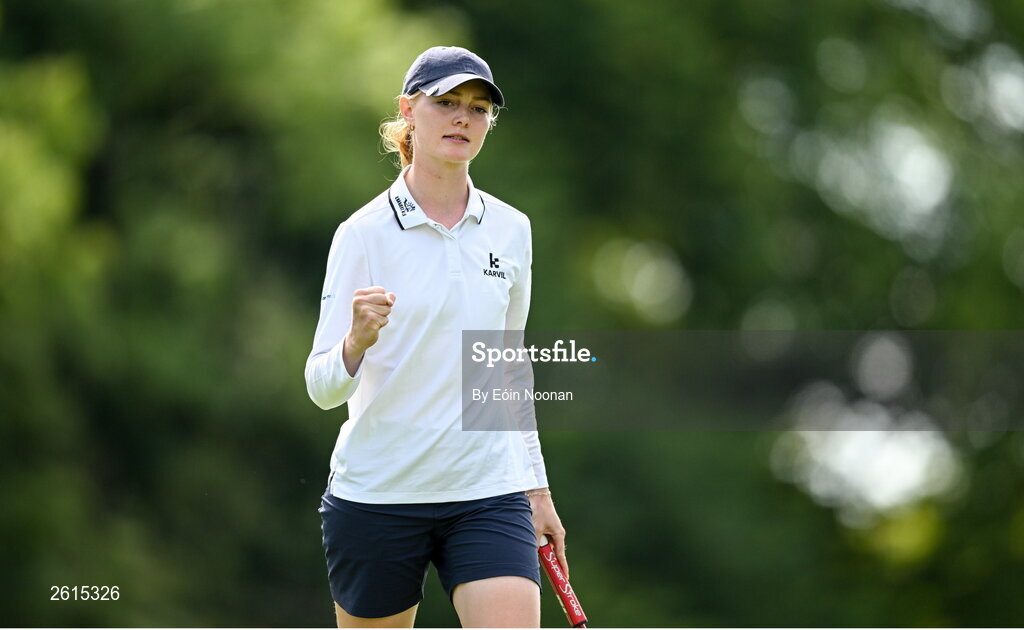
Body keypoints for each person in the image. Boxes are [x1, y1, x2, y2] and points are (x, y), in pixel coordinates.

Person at [304, 46, 569, 628]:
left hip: (487, 491)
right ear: (408, 111)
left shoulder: (512, 229)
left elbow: (508, 368)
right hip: (378, 496)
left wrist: (536, 490)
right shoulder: (362, 234)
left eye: (477, 109)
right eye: (445, 102)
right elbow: (321, 386)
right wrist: (354, 344)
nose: (461, 119)